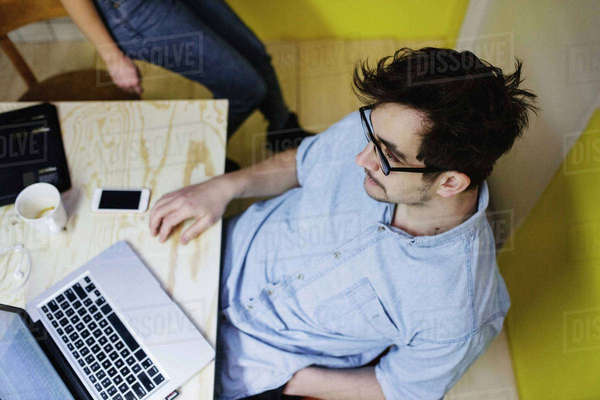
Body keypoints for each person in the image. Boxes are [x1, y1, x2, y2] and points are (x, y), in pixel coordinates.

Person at [148, 47, 538, 399]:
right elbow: (302, 161)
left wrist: (291, 380)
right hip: (204, 254)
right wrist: (224, 186)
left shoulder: (460, 310)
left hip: (243, 366)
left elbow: (398, 388)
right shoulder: (382, 129)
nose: (361, 158)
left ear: (450, 182)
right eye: (370, 135)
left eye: (384, 156)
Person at [59, 0, 311, 166]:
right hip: (135, 10)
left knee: (256, 54)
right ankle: (194, 157)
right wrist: (112, 57)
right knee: (246, 87)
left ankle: (283, 131)